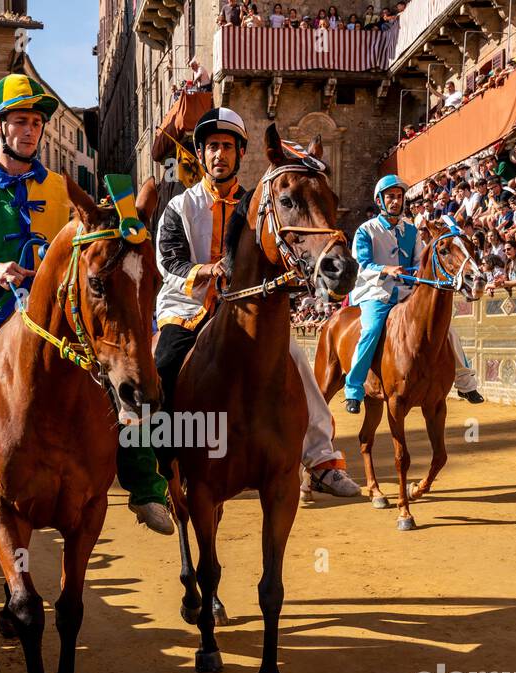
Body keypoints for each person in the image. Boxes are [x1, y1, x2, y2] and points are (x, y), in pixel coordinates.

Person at [0, 73, 173, 560]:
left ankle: (144, 486)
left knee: (130, 369)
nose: (30, 130)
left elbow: (98, 230)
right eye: (20, 121)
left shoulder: (60, 188)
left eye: (35, 122)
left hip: (57, 314)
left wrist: (127, 213)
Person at [150, 107, 362, 498]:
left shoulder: (257, 205)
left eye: (227, 147)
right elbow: (168, 261)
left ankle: (320, 460)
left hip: (243, 310)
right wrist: (208, 272)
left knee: (296, 360)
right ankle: (160, 466)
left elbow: (277, 251)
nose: (219, 155)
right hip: (187, 309)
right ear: (201, 154)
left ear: (240, 154)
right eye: (212, 146)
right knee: (163, 367)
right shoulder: (181, 206)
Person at [345, 174, 483, 413]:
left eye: (398, 197)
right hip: (376, 292)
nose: (395, 201)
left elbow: (420, 263)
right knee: (371, 329)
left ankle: (465, 383)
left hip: (407, 292)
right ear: (380, 200)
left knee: (447, 331)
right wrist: (386, 269)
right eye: (390, 197)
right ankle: (354, 389)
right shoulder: (365, 230)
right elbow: (363, 264)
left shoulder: (410, 230)